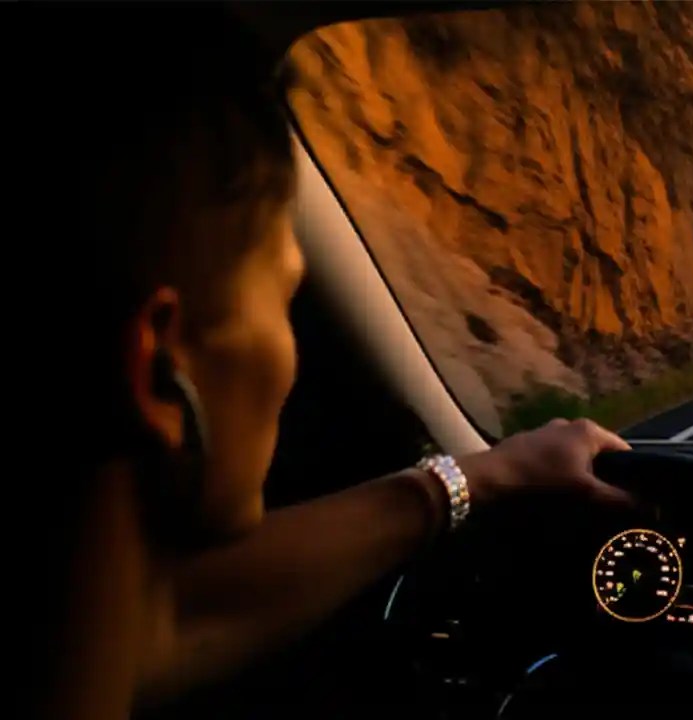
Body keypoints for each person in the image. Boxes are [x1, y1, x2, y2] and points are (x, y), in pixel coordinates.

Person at [28, 8, 630, 719]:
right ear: (160, 370)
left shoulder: (71, 637)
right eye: (286, 300)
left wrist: (489, 473)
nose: (294, 356)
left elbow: (179, 617)